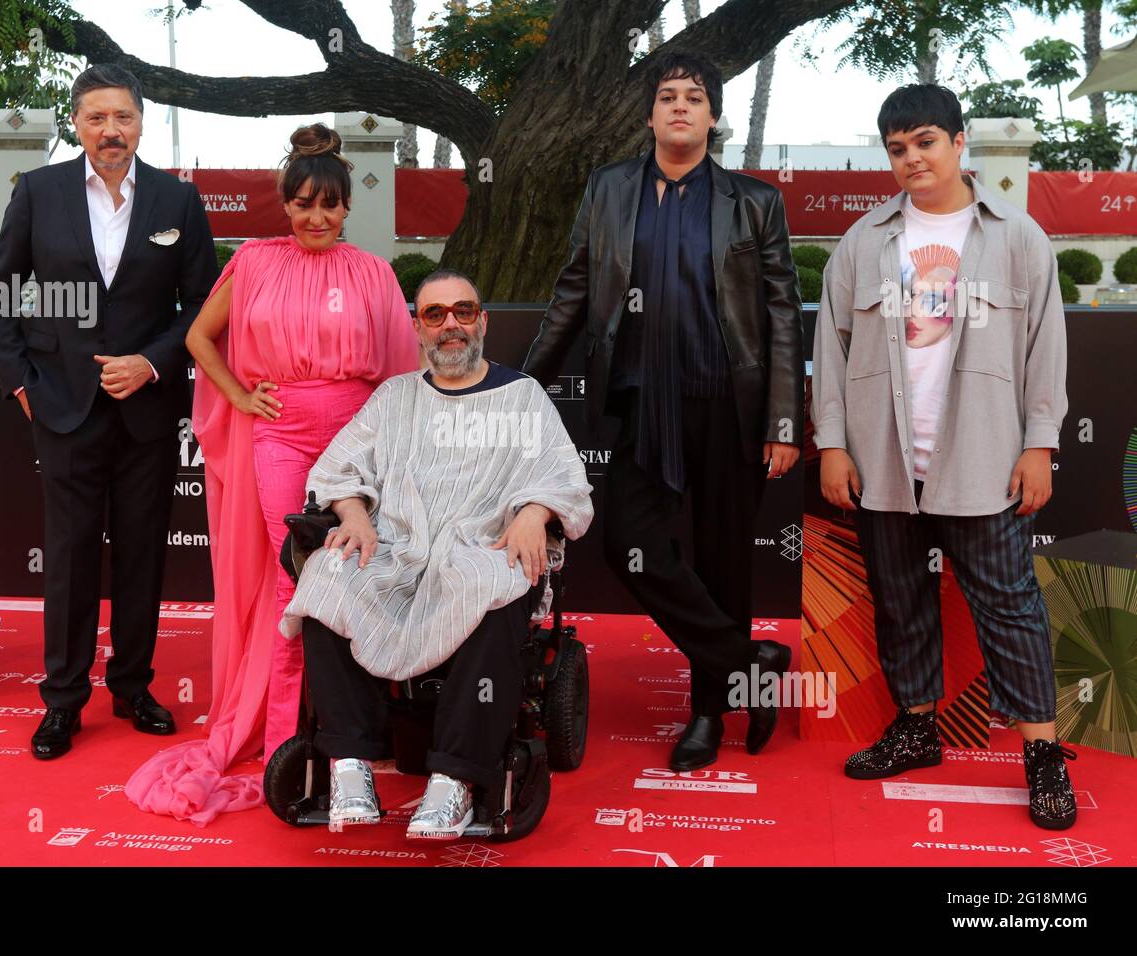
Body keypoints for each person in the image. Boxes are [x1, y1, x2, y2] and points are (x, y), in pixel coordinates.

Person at [125, 124, 419, 826]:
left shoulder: (374, 272)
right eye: (303, 204)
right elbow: (198, 335)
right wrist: (237, 393)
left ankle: (351, 732)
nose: (316, 218)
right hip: (280, 439)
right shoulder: (252, 261)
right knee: (295, 581)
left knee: (355, 571)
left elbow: (401, 374)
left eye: (330, 205)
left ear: (348, 208)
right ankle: (289, 733)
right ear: (284, 205)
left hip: (356, 442)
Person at [521, 53, 803, 772]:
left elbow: (779, 319)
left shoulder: (754, 201)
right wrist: (522, 384)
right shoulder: (610, 189)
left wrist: (781, 421)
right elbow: (575, 290)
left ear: (713, 117)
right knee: (628, 547)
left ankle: (709, 711)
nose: (680, 107)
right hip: (641, 403)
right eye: (668, 97)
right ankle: (754, 659)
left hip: (727, 405)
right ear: (650, 115)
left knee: (723, 565)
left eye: (695, 97)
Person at [811, 84, 1076, 829]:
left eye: (925, 141)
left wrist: (1039, 445)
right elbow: (829, 352)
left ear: (960, 143)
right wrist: (832, 442)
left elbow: (1044, 350)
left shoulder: (1017, 237)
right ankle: (918, 728)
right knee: (900, 604)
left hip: (985, 460)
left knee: (1011, 608)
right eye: (896, 148)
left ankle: (1043, 755)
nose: (910, 159)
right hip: (885, 459)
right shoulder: (863, 242)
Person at [280, 270, 593, 839]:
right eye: (435, 314)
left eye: (464, 311)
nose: (451, 324)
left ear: (482, 322)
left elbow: (567, 479)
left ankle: (453, 780)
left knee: (493, 579)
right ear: (418, 328)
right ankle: (350, 766)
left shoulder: (522, 396)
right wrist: (351, 515)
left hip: (481, 547)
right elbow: (337, 469)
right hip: (398, 546)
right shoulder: (395, 398)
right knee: (328, 571)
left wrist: (533, 512)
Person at [0, 64, 218, 760]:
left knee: (142, 556)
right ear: (75, 124)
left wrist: (152, 362)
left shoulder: (178, 201)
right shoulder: (39, 192)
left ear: (142, 122)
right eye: (96, 118)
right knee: (71, 559)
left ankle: (134, 687)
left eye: (123, 118)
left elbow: (205, 303)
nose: (111, 131)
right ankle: (63, 701)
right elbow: (0, 294)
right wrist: (22, 382)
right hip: (62, 407)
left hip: (147, 407)